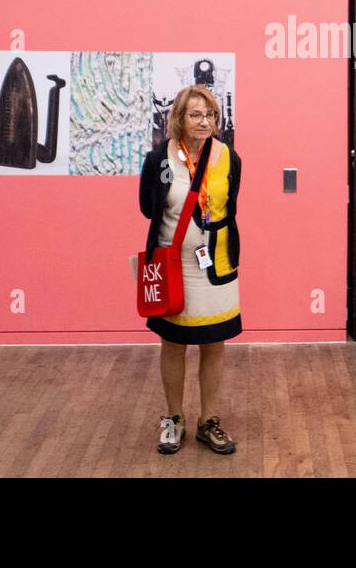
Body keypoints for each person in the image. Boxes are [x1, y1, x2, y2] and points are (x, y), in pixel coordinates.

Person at [139, 85, 243, 455]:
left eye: (210, 115)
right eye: (195, 115)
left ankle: (209, 421)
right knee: (174, 342)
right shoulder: (158, 160)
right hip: (173, 265)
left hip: (218, 265)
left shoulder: (230, 157)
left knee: (214, 342)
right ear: (179, 119)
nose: (204, 122)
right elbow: (148, 209)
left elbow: (229, 207)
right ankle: (173, 418)